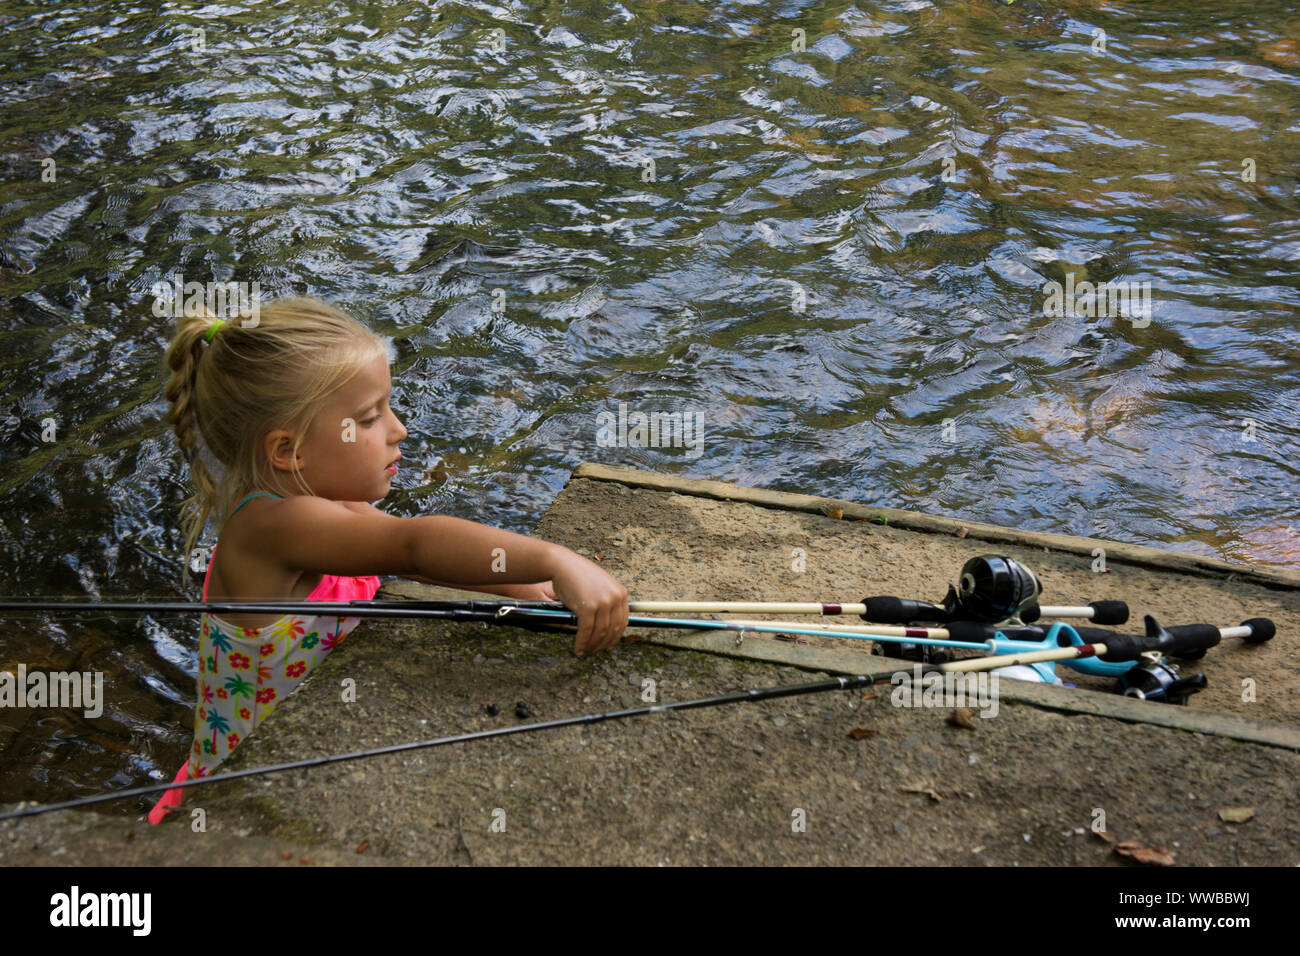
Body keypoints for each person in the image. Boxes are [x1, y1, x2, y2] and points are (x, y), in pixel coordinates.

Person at [147, 297, 628, 823]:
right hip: (254, 778)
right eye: (370, 418)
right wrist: (557, 559)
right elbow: (413, 544)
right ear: (288, 451)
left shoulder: (324, 501)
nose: (398, 430)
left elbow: (400, 552)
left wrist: (520, 585)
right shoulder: (273, 527)